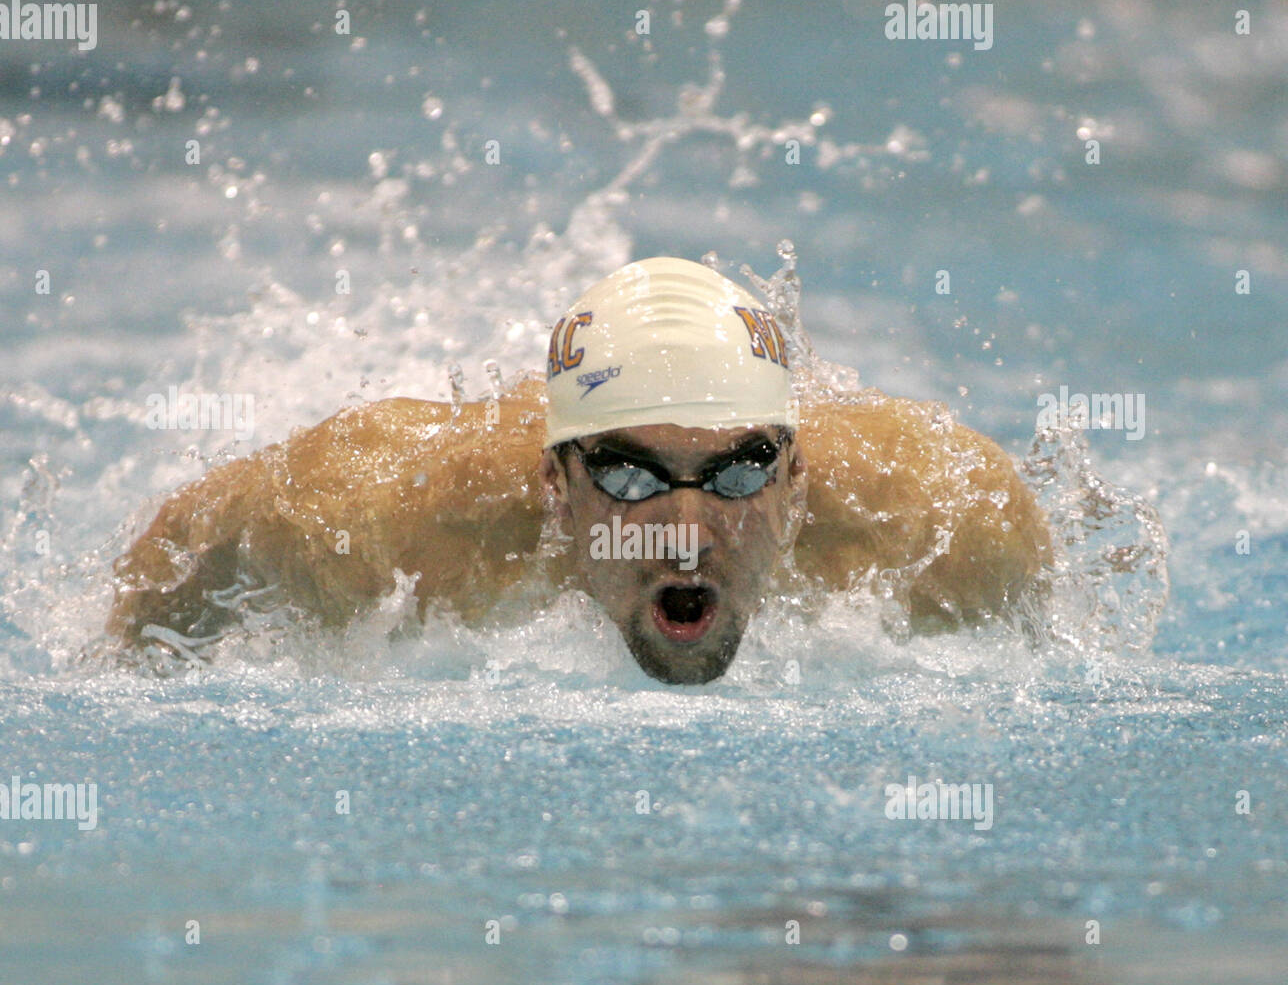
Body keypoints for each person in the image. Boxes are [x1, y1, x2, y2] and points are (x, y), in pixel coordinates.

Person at [108, 256, 1050, 682]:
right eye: (633, 478)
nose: (687, 524)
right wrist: (121, 666)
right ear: (555, 488)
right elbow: (192, 540)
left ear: (797, 481)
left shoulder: (947, 530)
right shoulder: (380, 530)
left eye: (736, 473)